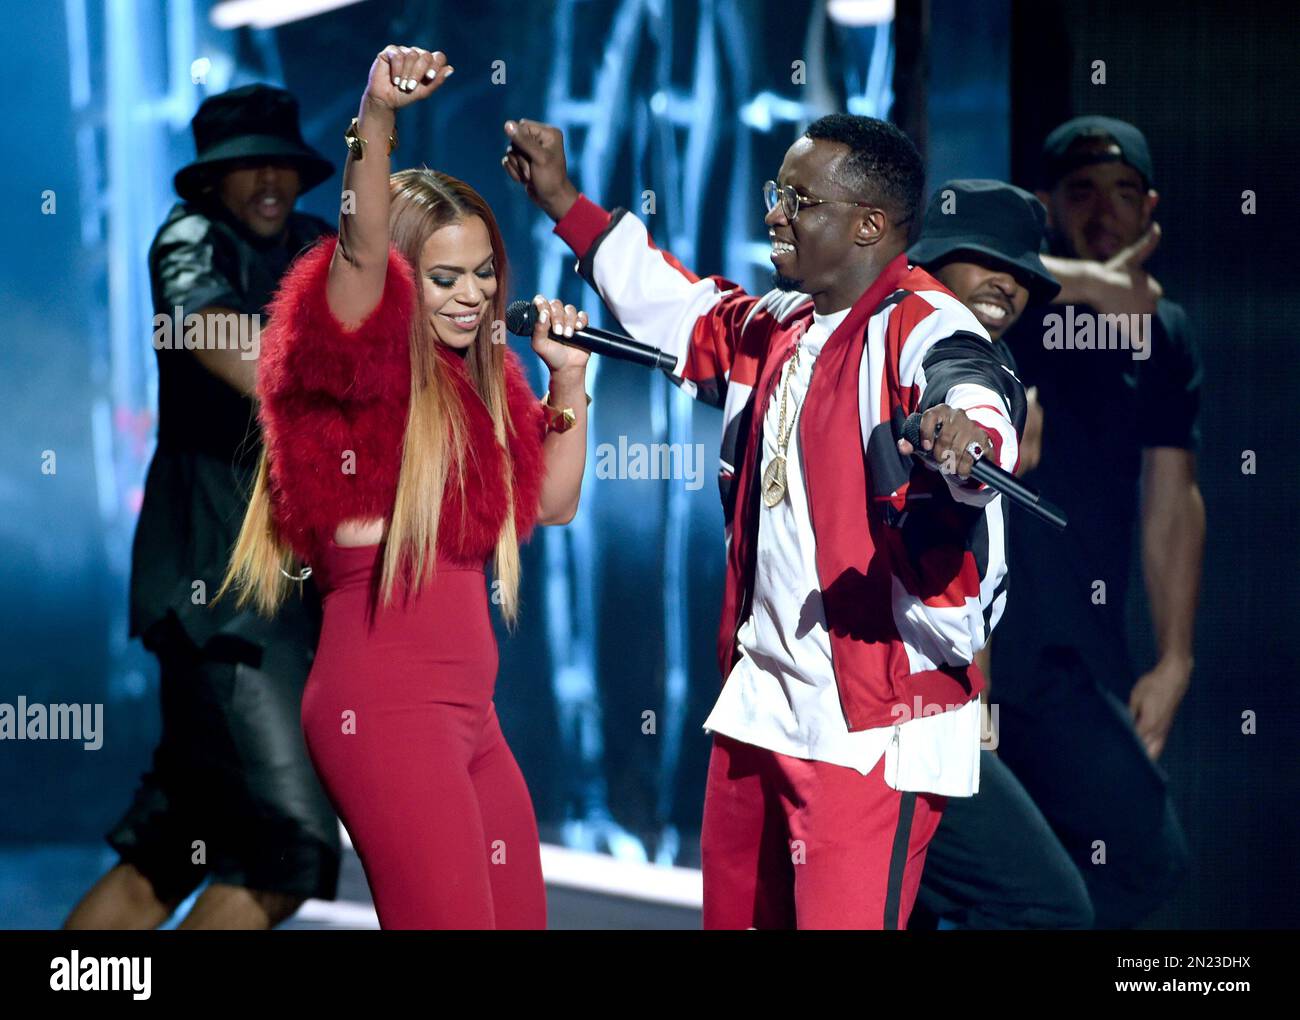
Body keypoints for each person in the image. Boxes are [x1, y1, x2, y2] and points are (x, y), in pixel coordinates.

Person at [504, 112, 1026, 929]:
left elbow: (971, 391)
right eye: (776, 194)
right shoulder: (778, 325)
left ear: (867, 225)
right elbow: (675, 307)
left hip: (869, 730)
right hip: (757, 709)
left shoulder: (927, 325)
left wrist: (967, 435)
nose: (773, 215)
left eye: (797, 199)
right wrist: (565, 200)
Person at [220, 45, 591, 930]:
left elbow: (551, 504)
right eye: (445, 277)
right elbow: (359, 241)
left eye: (485, 273)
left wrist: (568, 386)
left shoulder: (486, 391)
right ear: (400, 279)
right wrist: (377, 117)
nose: (473, 296)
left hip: (474, 719)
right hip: (384, 712)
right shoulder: (357, 357)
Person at [66, 84, 342, 930]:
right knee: (288, 847)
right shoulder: (189, 241)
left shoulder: (319, 245)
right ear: (209, 181)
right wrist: (342, 385)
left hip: (280, 594)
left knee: (176, 838)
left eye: (281, 163)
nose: (267, 180)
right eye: (244, 165)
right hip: (215, 595)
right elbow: (213, 336)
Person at [992, 116, 1203, 927]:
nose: (1103, 213)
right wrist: (1083, 286)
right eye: (1081, 193)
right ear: (1044, 205)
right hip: (972, 650)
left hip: (1079, 660)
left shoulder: (1163, 332)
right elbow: (933, 267)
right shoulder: (1003, 301)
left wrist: (1176, 657)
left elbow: (1171, 497)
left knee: (1128, 864)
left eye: (1123, 195)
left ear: (1150, 208)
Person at [905, 178, 1093, 928]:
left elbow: (971, 576)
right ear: (929, 263)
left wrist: (974, 703)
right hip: (888, 708)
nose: (1004, 284)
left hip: (937, 700)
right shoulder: (913, 351)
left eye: (1021, 273)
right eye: (983, 259)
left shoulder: (1003, 371)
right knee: (1047, 906)